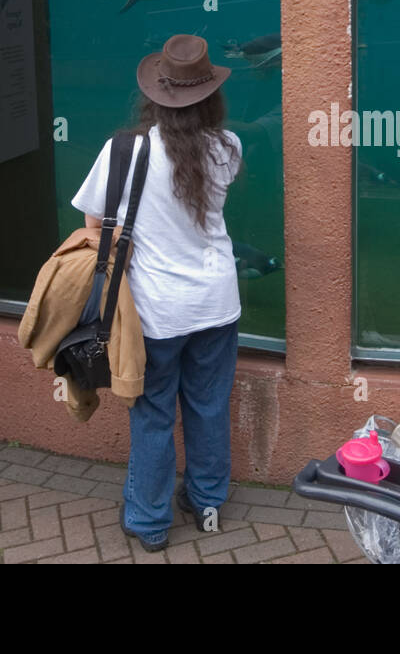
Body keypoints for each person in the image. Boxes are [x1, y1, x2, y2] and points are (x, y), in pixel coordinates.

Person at [72, 34, 243, 553]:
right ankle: (207, 503)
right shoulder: (228, 146)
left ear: (154, 95)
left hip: (156, 311)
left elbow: (95, 223)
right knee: (208, 407)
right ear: (210, 95)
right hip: (217, 304)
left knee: (152, 413)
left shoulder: (124, 150)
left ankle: (149, 523)